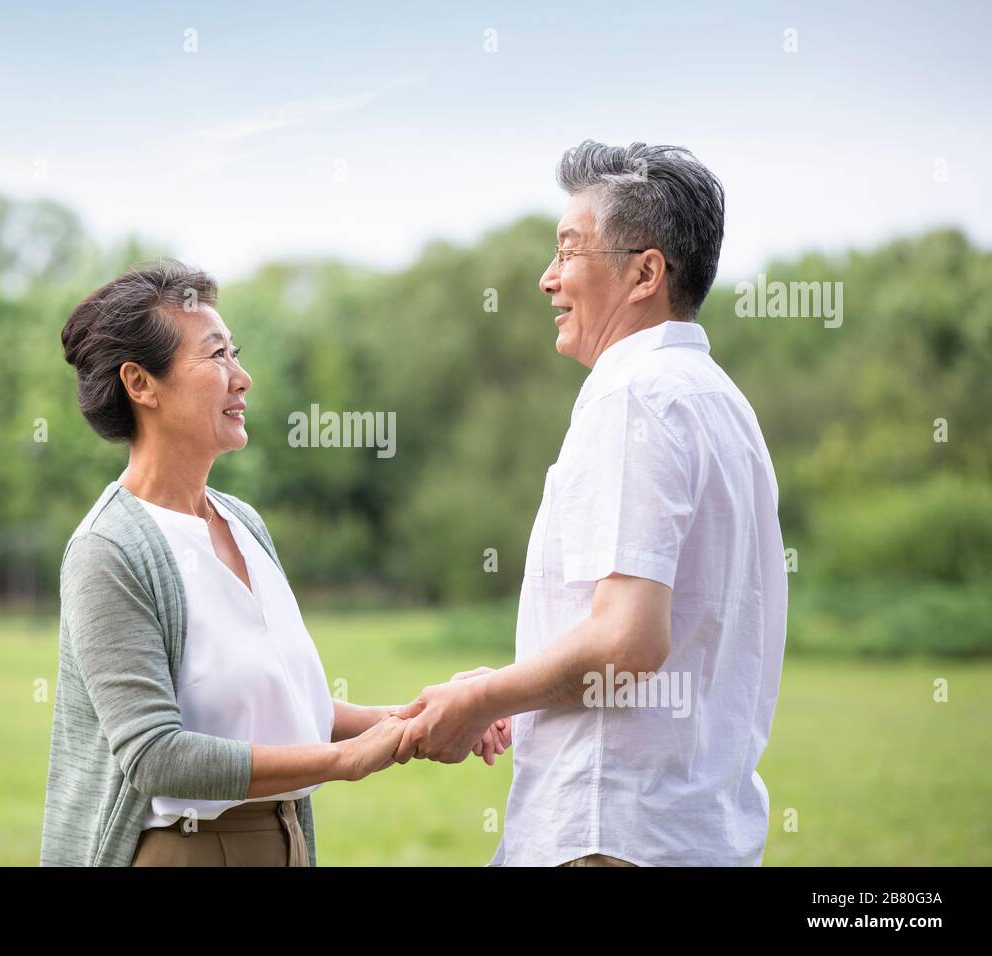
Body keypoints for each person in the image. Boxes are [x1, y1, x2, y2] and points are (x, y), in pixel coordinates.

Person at [395, 141, 788, 867]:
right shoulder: (721, 402)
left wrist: (481, 702)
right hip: (689, 833)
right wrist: (503, 687)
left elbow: (628, 641)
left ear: (645, 272)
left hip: (611, 835)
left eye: (569, 251)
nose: (547, 279)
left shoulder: (636, 395)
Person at [39, 258, 508, 866]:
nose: (243, 378)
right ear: (140, 384)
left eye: (236, 353)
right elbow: (156, 755)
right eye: (216, 357)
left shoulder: (243, 523)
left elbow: (287, 704)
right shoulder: (109, 551)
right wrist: (342, 762)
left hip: (283, 840)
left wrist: (422, 718)